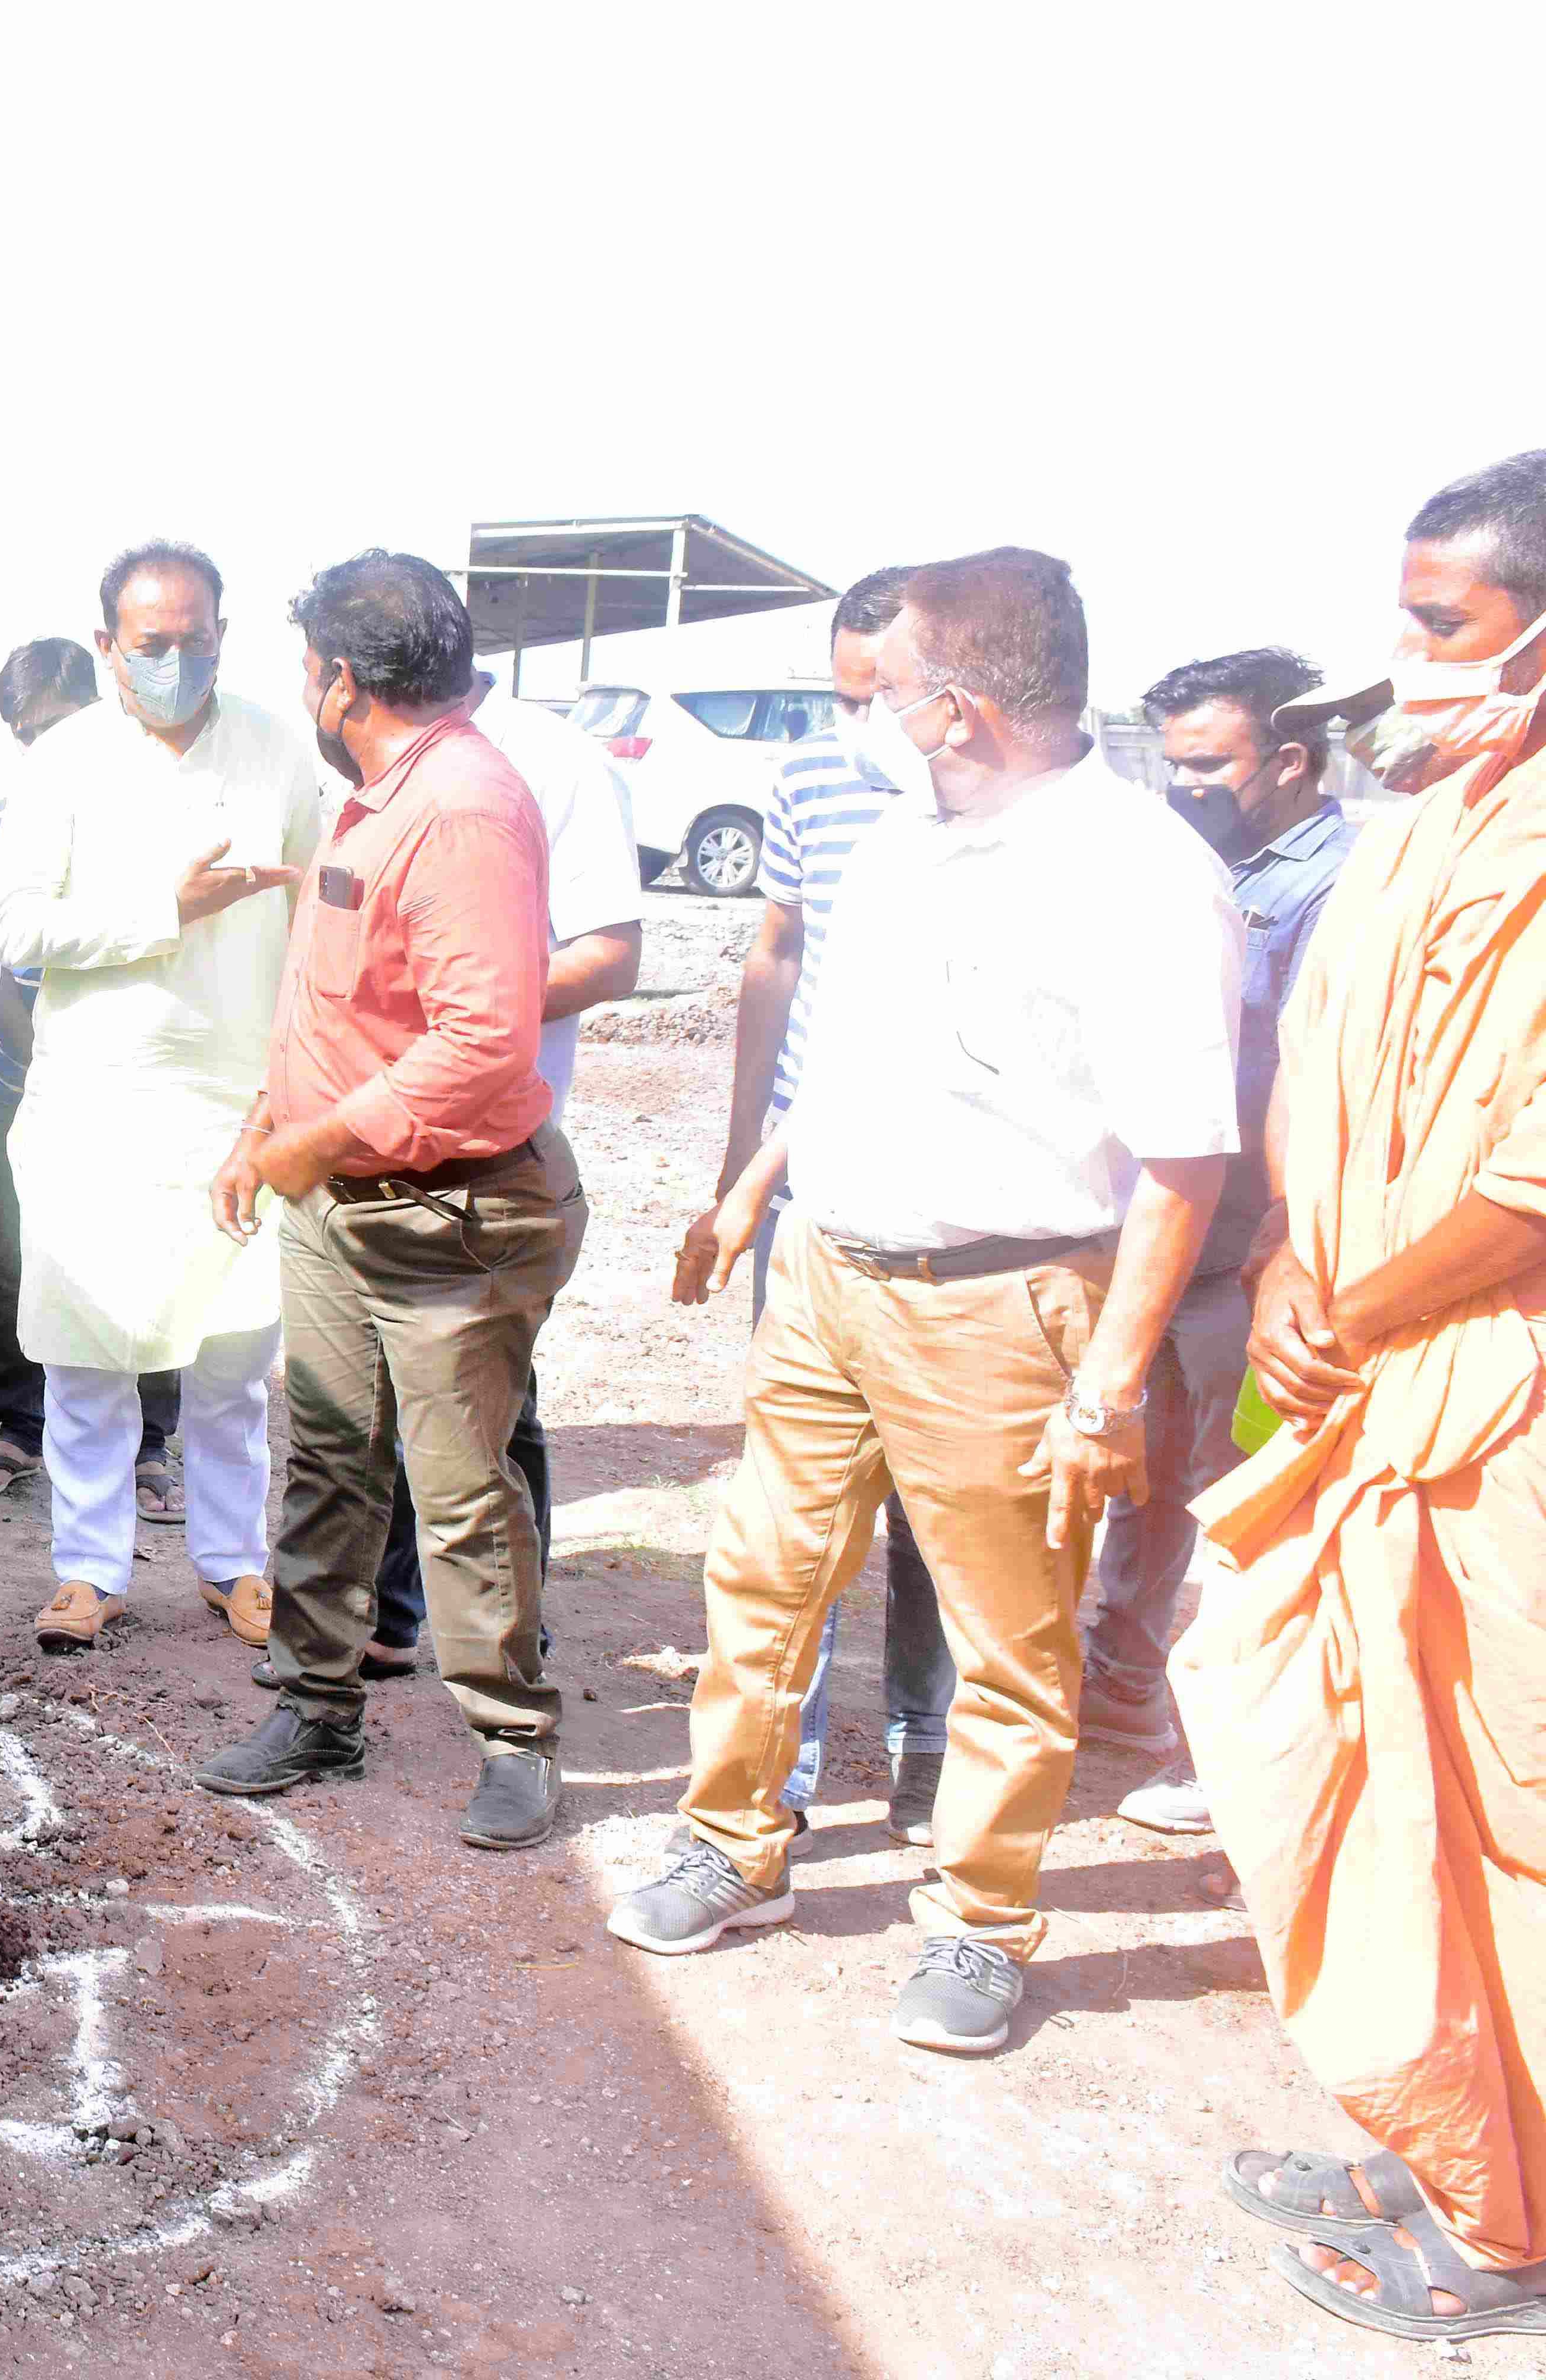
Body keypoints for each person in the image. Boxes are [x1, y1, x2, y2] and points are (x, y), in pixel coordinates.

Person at [625, 548, 1240, 2062]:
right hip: (832, 1277)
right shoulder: (903, 837)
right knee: (764, 1574)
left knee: (1006, 1630)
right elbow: (844, 1060)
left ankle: (977, 1915)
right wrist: (758, 1185)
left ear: (958, 706)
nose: (871, 718)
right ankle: (735, 1845)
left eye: (890, 690)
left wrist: (1105, 1380)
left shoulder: (1143, 876)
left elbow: (1182, 1160)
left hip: (1002, 1304)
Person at [1190, 450, 1546, 2344]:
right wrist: (1288, 1279)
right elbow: (1340, 1083)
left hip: (1491, 1405)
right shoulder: (1440, 806)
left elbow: (1525, 1179)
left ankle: (1507, 2232)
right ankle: (1446, 2132)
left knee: (1509, 1814)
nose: (1406, 665)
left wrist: (1354, 1308)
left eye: (1445, 629)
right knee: (1363, 1765)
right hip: (1361, 1364)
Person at [202, 553, 584, 1850]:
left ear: (341, 678)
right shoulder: (376, 796)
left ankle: (514, 1735)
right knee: (326, 1452)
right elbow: (336, 1003)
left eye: (305, 662)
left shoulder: (461, 808)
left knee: (459, 1482)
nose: (300, 682)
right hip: (344, 1197)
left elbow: (485, 1038)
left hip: (449, 1213)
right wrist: (271, 1131)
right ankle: (318, 1703)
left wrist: (318, 1141)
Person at [0, 541, 325, 1655]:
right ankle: (89, 1572)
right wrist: (163, 909)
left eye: (196, 639)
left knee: (233, 1354)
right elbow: (20, 931)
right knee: (89, 1349)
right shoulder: (63, 762)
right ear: (106, 647)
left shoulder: (281, 755)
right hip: (97, 1098)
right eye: (152, 644)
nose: (177, 659)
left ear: (226, 636)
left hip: (236, 1104)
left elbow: (319, 928)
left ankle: (233, 1565)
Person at [677, 568, 960, 1842]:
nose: (863, 725)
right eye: (846, 697)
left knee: (931, 1492)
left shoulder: (989, 816)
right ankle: (780, 1771)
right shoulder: (807, 782)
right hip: (806, 1178)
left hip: (949, 1204)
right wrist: (743, 1159)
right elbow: (780, 957)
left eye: (884, 696)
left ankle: (926, 1732)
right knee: (799, 1489)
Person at [1082, 647, 1348, 1836]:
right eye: (1171, 763)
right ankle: (1118, 1688)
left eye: (1209, 764)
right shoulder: (1180, 869)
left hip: (1259, 1246)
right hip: (1161, 1227)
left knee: (1238, 1498)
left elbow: (1323, 1076)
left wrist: (1292, 1237)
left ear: (1288, 759)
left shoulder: (1342, 884)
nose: (1183, 786)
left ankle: (1214, 1744)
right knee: (1140, 1472)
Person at [345, 668, 641, 1689]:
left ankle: (514, 1638)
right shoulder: (359, 759)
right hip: (368, 1138)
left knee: (489, 1408)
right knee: (372, 1392)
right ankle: (387, 1616)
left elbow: (611, 953)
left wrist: (465, 1009)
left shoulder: (549, 761)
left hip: (489, 1152)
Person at [0, 640, 184, 1509]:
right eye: (24, 733)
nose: (41, 745)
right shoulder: (4, 818)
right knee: (14, 1257)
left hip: (143, 1077)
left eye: (54, 724)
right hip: (31, 1074)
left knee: (150, 1260)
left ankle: (150, 1442)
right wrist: (38, 1049)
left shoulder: (164, 809)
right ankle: (20, 1429)